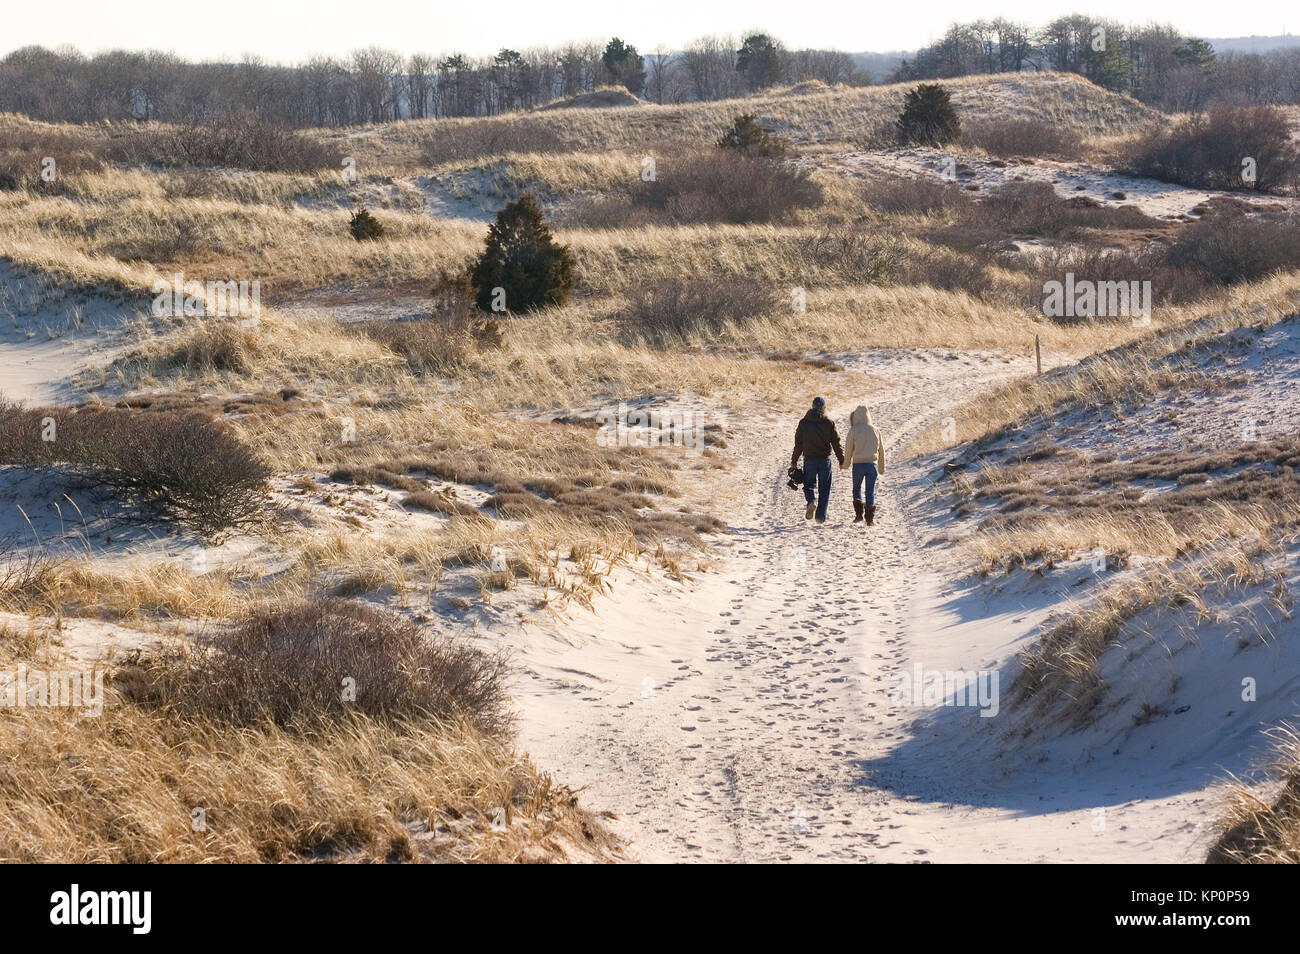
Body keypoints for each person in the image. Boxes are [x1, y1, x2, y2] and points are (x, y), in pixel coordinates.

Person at [790, 397, 843, 523]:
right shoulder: (829, 423)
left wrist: (794, 461)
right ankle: (820, 517)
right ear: (824, 408)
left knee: (808, 485)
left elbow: (799, 444)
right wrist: (842, 460)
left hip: (809, 461)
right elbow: (836, 443)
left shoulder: (803, 422)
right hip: (825, 461)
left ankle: (811, 501)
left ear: (812, 406)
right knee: (825, 488)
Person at [841, 404, 886, 525]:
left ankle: (859, 515)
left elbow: (848, 449)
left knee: (856, 489)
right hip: (872, 465)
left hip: (858, 465)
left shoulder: (853, 430)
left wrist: (845, 465)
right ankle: (870, 519)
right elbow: (881, 450)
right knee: (870, 491)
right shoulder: (875, 430)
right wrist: (881, 468)